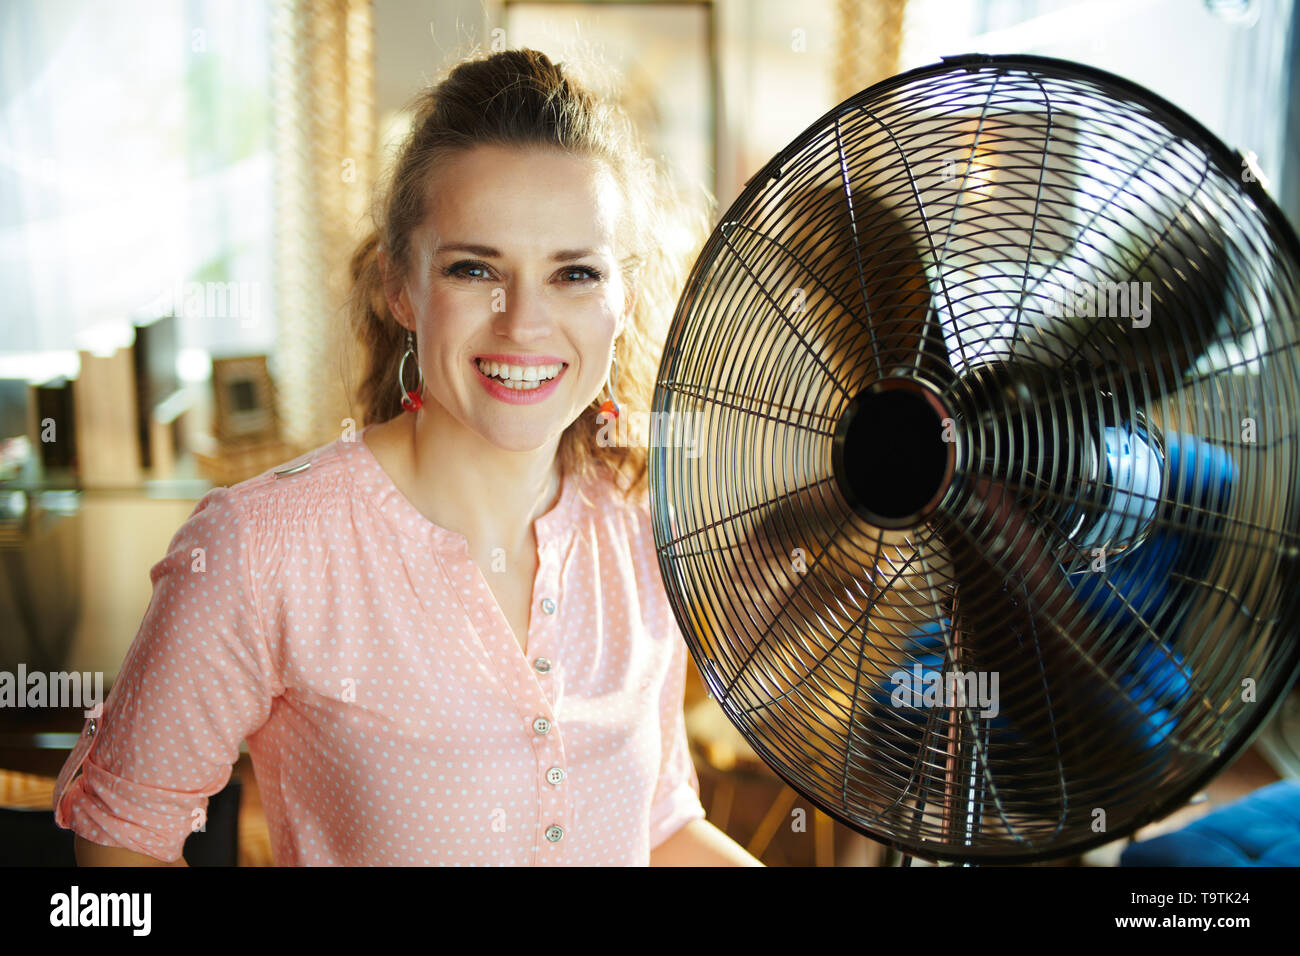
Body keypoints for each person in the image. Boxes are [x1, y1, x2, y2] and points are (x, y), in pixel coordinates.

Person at [54, 46, 762, 866]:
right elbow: (122, 846)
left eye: (574, 273)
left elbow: (660, 823)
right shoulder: (259, 548)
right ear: (400, 287)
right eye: (474, 268)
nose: (523, 322)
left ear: (622, 299)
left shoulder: (637, 531)